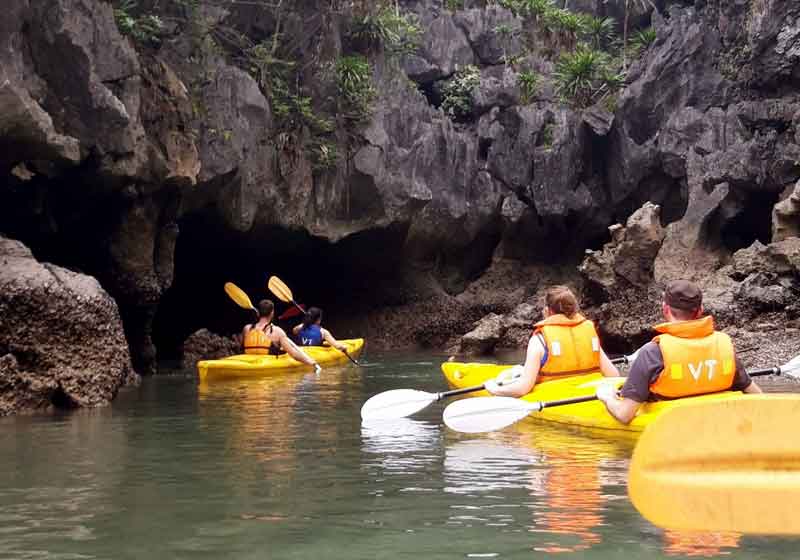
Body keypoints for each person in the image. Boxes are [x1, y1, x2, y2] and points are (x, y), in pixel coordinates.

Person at [596, 279, 762, 424]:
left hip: (673, 428)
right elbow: (758, 397)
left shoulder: (653, 352)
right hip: (721, 423)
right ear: (700, 310)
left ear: (665, 309)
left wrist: (607, 396)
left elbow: (624, 415)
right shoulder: (723, 344)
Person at [486, 285, 620, 398]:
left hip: (557, 396)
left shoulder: (540, 339)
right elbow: (613, 376)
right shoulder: (588, 331)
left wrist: (494, 389)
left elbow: (523, 388)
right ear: (575, 308)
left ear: (548, 310)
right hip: (592, 392)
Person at [243, 299, 321, 373]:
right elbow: (293, 354)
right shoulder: (278, 331)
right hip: (268, 367)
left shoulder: (247, 328)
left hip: (246, 365)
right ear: (272, 313)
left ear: (258, 313)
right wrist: (310, 361)